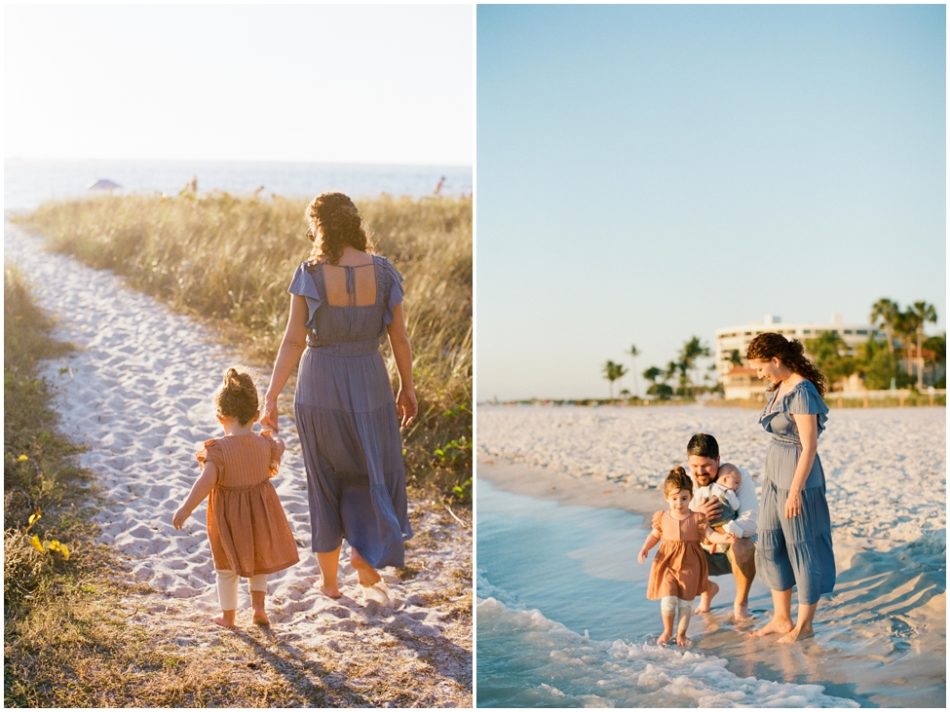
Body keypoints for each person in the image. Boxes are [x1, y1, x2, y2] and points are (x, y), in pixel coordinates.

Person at [260, 192, 417, 605]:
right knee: (370, 472)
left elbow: (294, 339)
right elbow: (399, 337)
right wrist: (408, 387)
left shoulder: (310, 273)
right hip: (370, 381)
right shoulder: (384, 273)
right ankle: (364, 556)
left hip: (319, 384)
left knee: (325, 481)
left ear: (319, 226)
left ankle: (329, 583)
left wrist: (271, 395)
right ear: (354, 224)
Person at [172, 368, 299, 628]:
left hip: (228, 520)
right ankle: (258, 608)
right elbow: (280, 446)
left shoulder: (218, 451)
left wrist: (186, 508)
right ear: (255, 414)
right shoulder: (265, 445)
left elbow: (205, 482)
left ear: (220, 417)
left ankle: (228, 617)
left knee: (226, 568)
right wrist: (271, 430)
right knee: (259, 562)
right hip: (260, 515)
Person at [747, 332, 834, 643]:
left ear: (775, 360)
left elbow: (809, 445)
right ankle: (781, 618)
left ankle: (805, 625)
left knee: (802, 546)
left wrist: (795, 491)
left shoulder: (803, 391)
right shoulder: (780, 387)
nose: (758, 374)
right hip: (774, 473)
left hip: (799, 476)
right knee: (768, 542)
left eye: (760, 367)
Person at [638, 467, 734, 647]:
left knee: (684, 602)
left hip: (690, 564)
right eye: (674, 499)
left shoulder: (697, 518)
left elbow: (709, 534)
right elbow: (654, 535)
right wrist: (645, 548)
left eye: (684, 498)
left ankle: (681, 633)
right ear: (667, 498)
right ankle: (667, 630)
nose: (679, 503)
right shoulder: (663, 517)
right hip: (667, 562)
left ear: (690, 497)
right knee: (668, 598)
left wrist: (724, 537)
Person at [686, 433, 757, 619]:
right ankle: (707, 590)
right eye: (694, 466)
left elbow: (750, 522)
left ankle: (741, 604)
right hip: (701, 551)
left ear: (717, 459)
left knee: (745, 544)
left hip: (731, 549)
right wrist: (698, 517)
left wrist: (719, 533)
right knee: (672, 545)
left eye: (705, 466)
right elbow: (676, 523)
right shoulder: (687, 481)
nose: (700, 471)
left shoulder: (735, 478)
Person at [690, 464, 742, 553]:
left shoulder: (705, 489)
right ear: (725, 479)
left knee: (708, 531)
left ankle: (713, 544)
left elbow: (694, 503)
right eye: (736, 483)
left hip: (710, 523)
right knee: (731, 530)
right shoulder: (728, 492)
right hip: (724, 522)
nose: (737, 487)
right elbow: (736, 505)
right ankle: (719, 545)